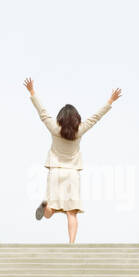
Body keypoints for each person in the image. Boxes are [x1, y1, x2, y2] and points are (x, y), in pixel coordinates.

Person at [24, 77, 122, 243]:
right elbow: (96, 117)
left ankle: (46, 207)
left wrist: (32, 91)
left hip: (55, 171)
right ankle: (71, 244)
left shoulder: (54, 128)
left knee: (51, 210)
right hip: (72, 174)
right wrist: (110, 101)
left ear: (60, 118)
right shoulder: (80, 130)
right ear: (76, 118)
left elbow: (42, 113)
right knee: (72, 212)